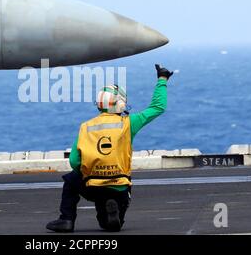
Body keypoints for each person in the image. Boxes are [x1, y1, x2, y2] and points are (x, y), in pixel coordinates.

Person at [46, 64, 174, 233]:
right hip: (120, 186)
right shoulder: (129, 124)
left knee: (71, 180)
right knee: (110, 225)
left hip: (93, 185)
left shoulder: (86, 127)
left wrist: (91, 171)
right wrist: (162, 79)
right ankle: (113, 213)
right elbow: (158, 107)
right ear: (120, 104)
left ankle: (66, 220)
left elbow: (74, 161)